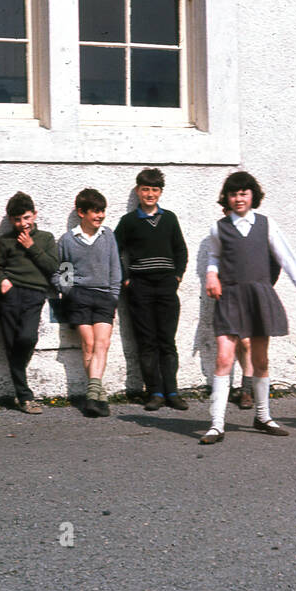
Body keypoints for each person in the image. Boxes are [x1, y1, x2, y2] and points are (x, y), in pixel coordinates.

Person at [201, 171, 296, 444]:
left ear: (252, 196)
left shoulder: (267, 225)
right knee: (224, 358)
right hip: (229, 297)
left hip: (258, 296)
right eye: (233, 194)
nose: (238, 199)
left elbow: (286, 258)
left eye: (243, 193)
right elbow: (214, 256)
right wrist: (210, 274)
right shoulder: (219, 228)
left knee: (260, 360)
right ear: (226, 198)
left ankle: (263, 416)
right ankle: (216, 424)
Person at [114, 168, 189, 411]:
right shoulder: (128, 222)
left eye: (154, 189)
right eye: (145, 189)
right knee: (147, 342)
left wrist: (176, 275)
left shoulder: (169, 219)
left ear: (160, 192)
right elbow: (114, 251)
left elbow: (181, 250)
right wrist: (126, 279)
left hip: (166, 287)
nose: (149, 194)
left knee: (167, 341)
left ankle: (172, 391)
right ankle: (154, 392)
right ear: (138, 191)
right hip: (140, 288)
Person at [53, 188, 122, 417]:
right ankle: (98, 395)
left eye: (102, 211)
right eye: (95, 211)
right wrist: (69, 291)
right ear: (81, 213)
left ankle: (92, 395)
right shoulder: (68, 240)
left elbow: (115, 269)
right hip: (79, 297)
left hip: (104, 297)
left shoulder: (108, 235)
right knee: (89, 344)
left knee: (102, 343)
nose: (100, 216)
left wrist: (113, 295)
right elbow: (62, 272)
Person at [0, 192, 60, 413]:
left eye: (25, 217)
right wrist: (2, 280)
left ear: (34, 215)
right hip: (10, 294)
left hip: (35, 294)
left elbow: (54, 267)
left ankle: (21, 390)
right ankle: (25, 397)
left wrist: (32, 246)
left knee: (27, 337)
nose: (22, 224)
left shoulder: (46, 238)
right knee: (11, 344)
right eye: (16, 220)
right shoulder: (5, 241)